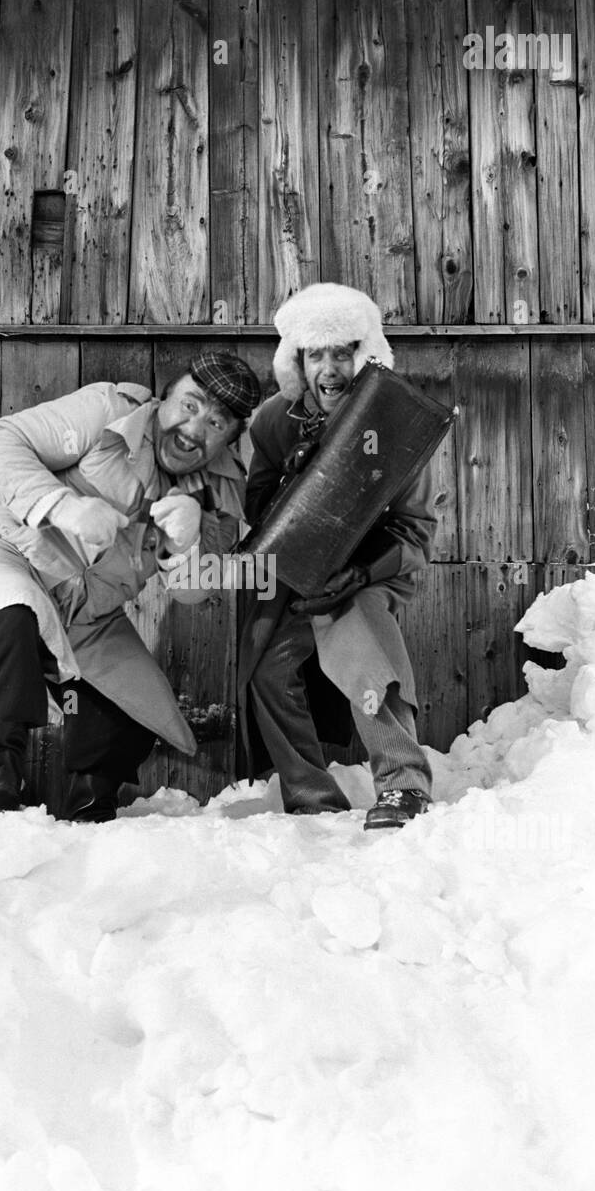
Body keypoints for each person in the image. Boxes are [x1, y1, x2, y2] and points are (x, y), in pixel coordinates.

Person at [0, 352, 261, 819]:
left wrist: (188, 543)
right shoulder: (111, 409)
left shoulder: (224, 489)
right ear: (166, 396)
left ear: (230, 438)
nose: (195, 430)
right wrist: (61, 505)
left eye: (216, 423)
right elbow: (0, 441)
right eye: (191, 406)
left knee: (136, 707)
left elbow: (193, 591)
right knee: (14, 612)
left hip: (86, 613)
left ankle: (88, 818)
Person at [238, 282, 437, 829]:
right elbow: (258, 511)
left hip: (375, 569)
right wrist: (292, 475)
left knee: (354, 629)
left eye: (343, 351)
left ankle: (404, 784)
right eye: (315, 353)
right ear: (297, 361)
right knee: (267, 669)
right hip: (301, 571)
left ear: (365, 354)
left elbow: (417, 532)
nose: (330, 368)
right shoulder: (274, 421)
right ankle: (311, 796)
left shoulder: (397, 418)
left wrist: (361, 573)